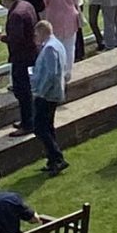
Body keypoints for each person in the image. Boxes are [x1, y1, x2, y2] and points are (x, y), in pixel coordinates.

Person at [0, 0, 40, 137]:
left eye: (2, 1)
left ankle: (28, 124)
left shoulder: (16, 14)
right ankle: (27, 120)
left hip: (21, 56)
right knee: (25, 90)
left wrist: (3, 38)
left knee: (22, 91)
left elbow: (16, 39)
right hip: (30, 53)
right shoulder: (27, 5)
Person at [31, 20, 70, 175]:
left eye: (36, 34)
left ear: (42, 31)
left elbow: (52, 74)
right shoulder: (57, 44)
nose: (36, 37)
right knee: (47, 126)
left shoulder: (50, 48)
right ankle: (52, 159)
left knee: (40, 128)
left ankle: (57, 158)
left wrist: (40, 91)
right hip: (52, 92)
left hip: (47, 95)